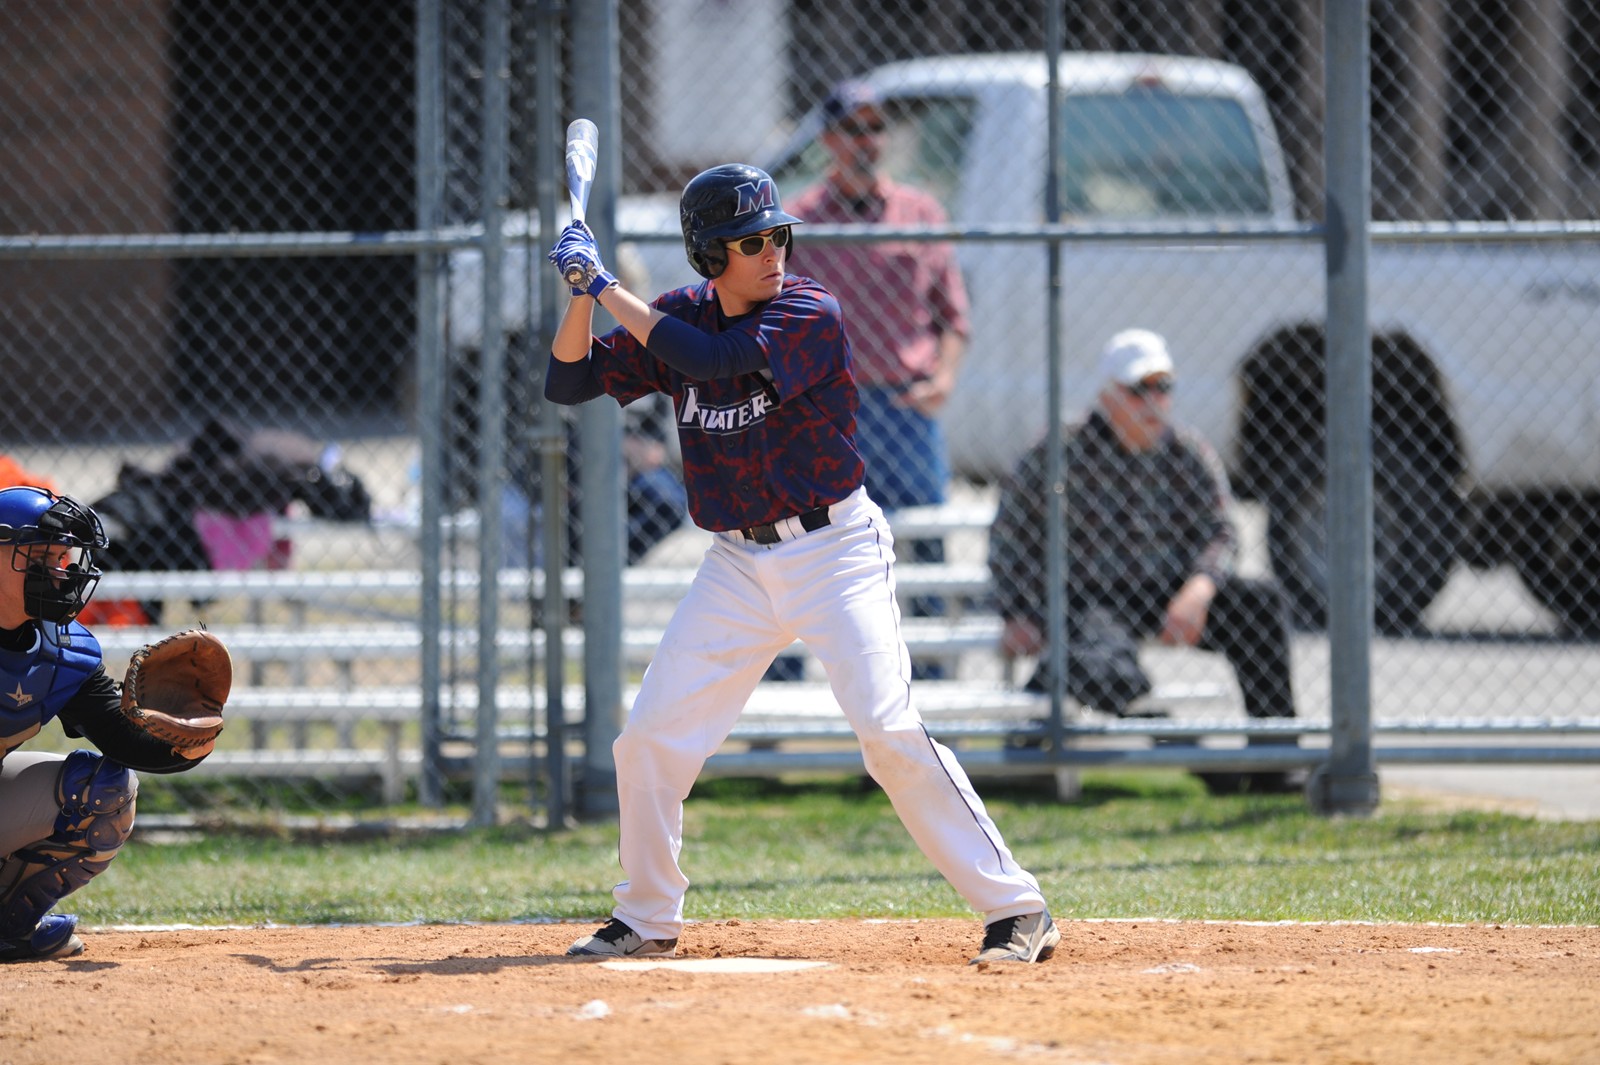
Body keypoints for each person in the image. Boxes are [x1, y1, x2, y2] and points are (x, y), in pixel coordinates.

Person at [543, 163, 1057, 965]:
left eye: (777, 234)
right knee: (645, 740)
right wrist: (579, 291)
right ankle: (646, 916)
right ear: (709, 255)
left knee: (887, 731)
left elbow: (714, 363)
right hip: (736, 565)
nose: (772, 251)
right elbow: (568, 379)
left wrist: (605, 282)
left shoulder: (808, 310)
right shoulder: (672, 313)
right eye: (750, 242)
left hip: (835, 550)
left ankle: (1016, 906)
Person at [988, 329, 1301, 793]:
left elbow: (1223, 532)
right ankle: (1199, 760)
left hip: (1171, 592)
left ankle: (1276, 765)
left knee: (1261, 604)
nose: (1153, 401)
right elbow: (1009, 537)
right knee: (1099, 666)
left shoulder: (1187, 452)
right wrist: (1016, 612)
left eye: (1163, 387)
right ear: (1107, 396)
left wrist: (1199, 589)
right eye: (1138, 390)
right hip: (1091, 599)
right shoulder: (1057, 452)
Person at [787, 80, 971, 679]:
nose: (866, 141)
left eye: (874, 128)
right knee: (805, 548)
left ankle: (938, 694)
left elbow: (954, 317)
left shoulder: (921, 213)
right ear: (829, 141)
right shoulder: (800, 222)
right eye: (852, 130)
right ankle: (782, 700)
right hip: (830, 414)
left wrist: (941, 380)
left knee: (921, 555)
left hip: (905, 407)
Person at [0, 486, 218, 962]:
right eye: (42, 555)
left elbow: (124, 740)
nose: (60, 570)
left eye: (64, 557)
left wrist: (187, 742)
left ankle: (7, 929)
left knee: (102, 792)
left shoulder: (60, 650)